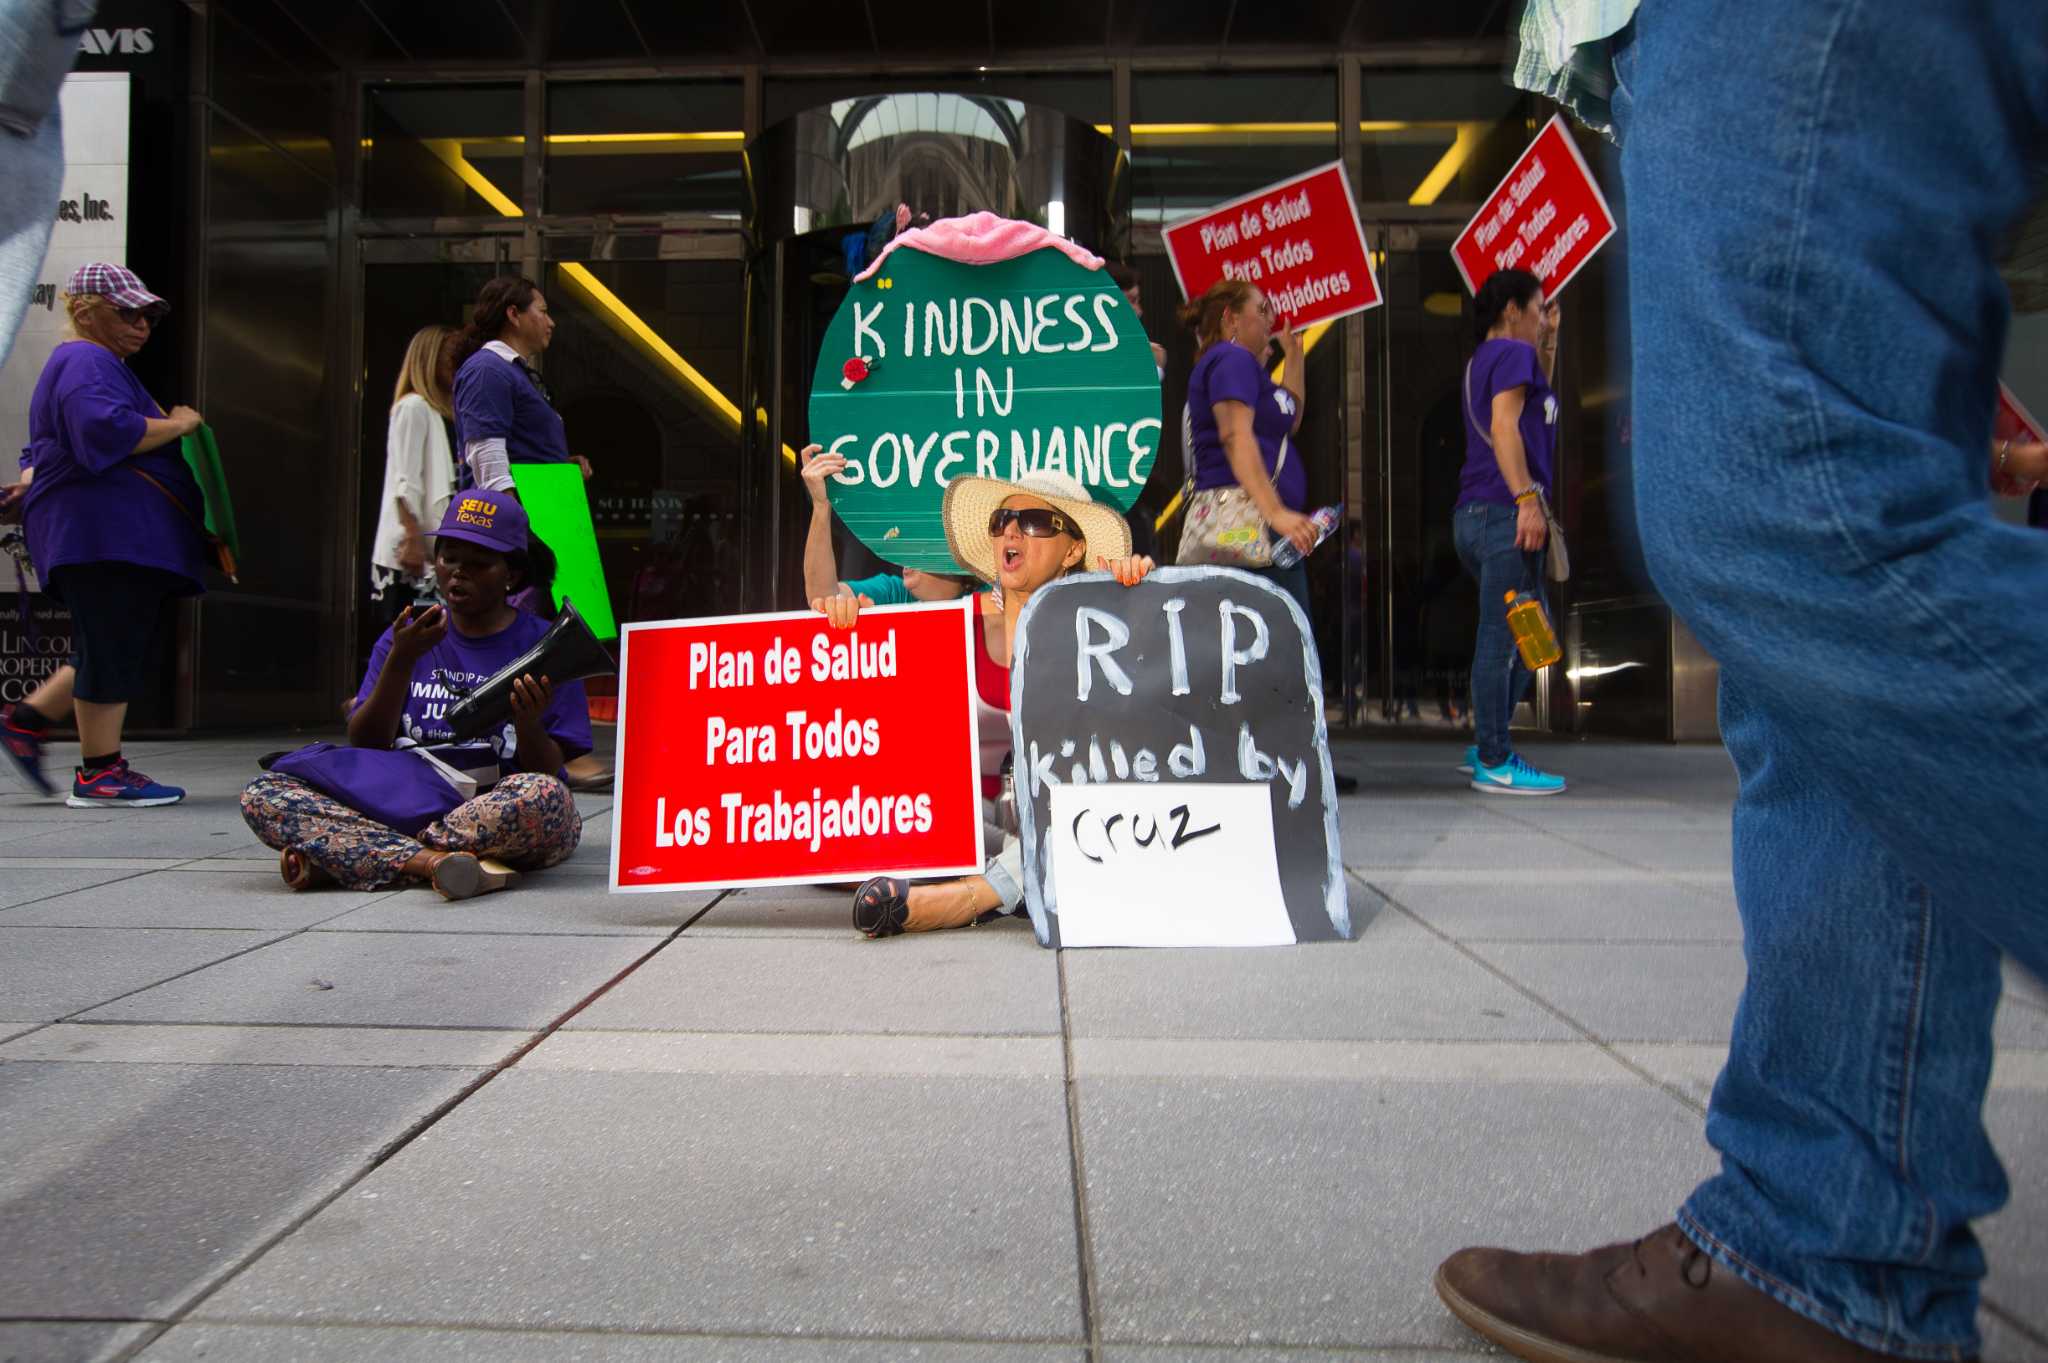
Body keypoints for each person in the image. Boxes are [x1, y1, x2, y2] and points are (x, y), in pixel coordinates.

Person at [1434, 5, 2048, 1363]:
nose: (1541, 307)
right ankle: (1828, 1238)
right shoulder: (1503, 358)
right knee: (1817, 640)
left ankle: (1824, 1230)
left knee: (1782, 507)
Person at [816, 470, 1154, 936]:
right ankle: (1008, 879)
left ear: (1073, 549)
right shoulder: (952, 622)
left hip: (1073, 810)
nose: (1012, 531)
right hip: (983, 822)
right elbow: (844, 638)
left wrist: (1139, 595)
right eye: (1003, 520)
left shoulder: (1102, 622)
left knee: (1070, 823)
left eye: (1034, 521)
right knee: (896, 816)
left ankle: (966, 898)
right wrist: (843, 618)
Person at [240, 492, 586, 900]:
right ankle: (432, 863)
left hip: (487, 805)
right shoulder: (408, 635)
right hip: (400, 797)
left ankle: (357, 854)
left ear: (510, 574)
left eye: (478, 564)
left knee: (544, 801)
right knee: (264, 794)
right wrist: (401, 660)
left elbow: (547, 772)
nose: (458, 574)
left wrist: (528, 722)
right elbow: (368, 741)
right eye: (449, 558)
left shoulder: (549, 645)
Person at [0, 264, 203, 807]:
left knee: (106, 640)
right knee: (112, 641)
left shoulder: (86, 363)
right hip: (105, 534)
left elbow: (45, 448)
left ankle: (28, 719)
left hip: (103, 533)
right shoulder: (85, 358)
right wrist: (181, 424)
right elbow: (103, 431)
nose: (143, 325)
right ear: (85, 310)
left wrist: (29, 481)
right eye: (127, 312)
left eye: (148, 315)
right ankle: (100, 772)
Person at [1177, 279, 1357, 793]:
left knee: (1266, 644)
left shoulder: (1246, 370)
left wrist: (1295, 352)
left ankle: (1285, 759)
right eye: (1263, 309)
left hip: (1254, 533)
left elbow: (1289, 415)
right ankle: (1288, 763)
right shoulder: (1230, 361)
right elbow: (1234, 435)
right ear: (1232, 319)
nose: (1272, 318)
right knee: (1282, 644)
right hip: (1249, 529)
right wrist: (1276, 512)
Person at [451, 276, 608, 791]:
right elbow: (487, 456)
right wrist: (513, 531)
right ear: (514, 315)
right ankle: (555, 749)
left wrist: (563, 469)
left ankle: (555, 746)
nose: (551, 320)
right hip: (522, 529)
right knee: (535, 638)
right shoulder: (488, 370)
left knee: (545, 634)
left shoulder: (513, 375)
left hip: (541, 520)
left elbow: (517, 452)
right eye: (542, 309)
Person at [1451, 267, 1567, 796]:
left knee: (1532, 637)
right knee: (1505, 640)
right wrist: (1526, 500)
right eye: (1539, 309)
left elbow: (1531, 412)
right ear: (1511, 311)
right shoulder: (1513, 356)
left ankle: (1489, 741)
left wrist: (1551, 339)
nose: (1544, 318)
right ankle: (1495, 758)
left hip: (1479, 515)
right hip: (1505, 512)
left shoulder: (1488, 360)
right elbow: (1505, 427)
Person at [797, 441, 981, 607]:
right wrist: (821, 504)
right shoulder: (896, 592)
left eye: (920, 537)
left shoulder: (990, 600)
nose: (906, 548)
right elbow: (822, 599)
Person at [369, 324, 457, 628]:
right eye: (449, 357)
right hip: (409, 556)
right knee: (404, 645)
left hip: (425, 555)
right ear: (430, 359)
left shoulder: (433, 412)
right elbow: (405, 480)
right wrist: (412, 535)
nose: (456, 365)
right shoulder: (414, 407)